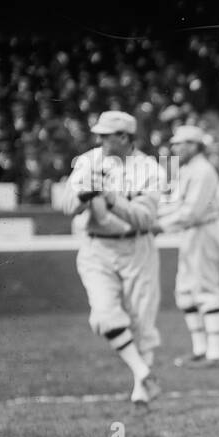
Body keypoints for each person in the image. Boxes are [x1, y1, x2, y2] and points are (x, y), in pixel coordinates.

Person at [59, 110, 164, 404]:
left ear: (125, 137)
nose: (101, 139)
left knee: (141, 321)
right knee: (104, 315)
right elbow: (66, 205)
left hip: (136, 248)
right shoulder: (87, 161)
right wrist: (85, 193)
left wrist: (111, 198)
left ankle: (141, 391)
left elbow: (144, 218)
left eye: (107, 134)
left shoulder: (150, 168)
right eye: (100, 134)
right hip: (97, 248)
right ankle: (143, 372)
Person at [157, 125, 219, 367]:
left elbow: (192, 212)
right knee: (186, 291)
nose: (175, 148)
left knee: (205, 288)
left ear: (194, 145)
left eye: (180, 143)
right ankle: (200, 350)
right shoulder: (187, 170)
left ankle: (215, 353)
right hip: (189, 233)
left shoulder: (203, 171)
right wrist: (152, 218)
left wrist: (158, 226)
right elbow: (175, 206)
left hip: (202, 230)